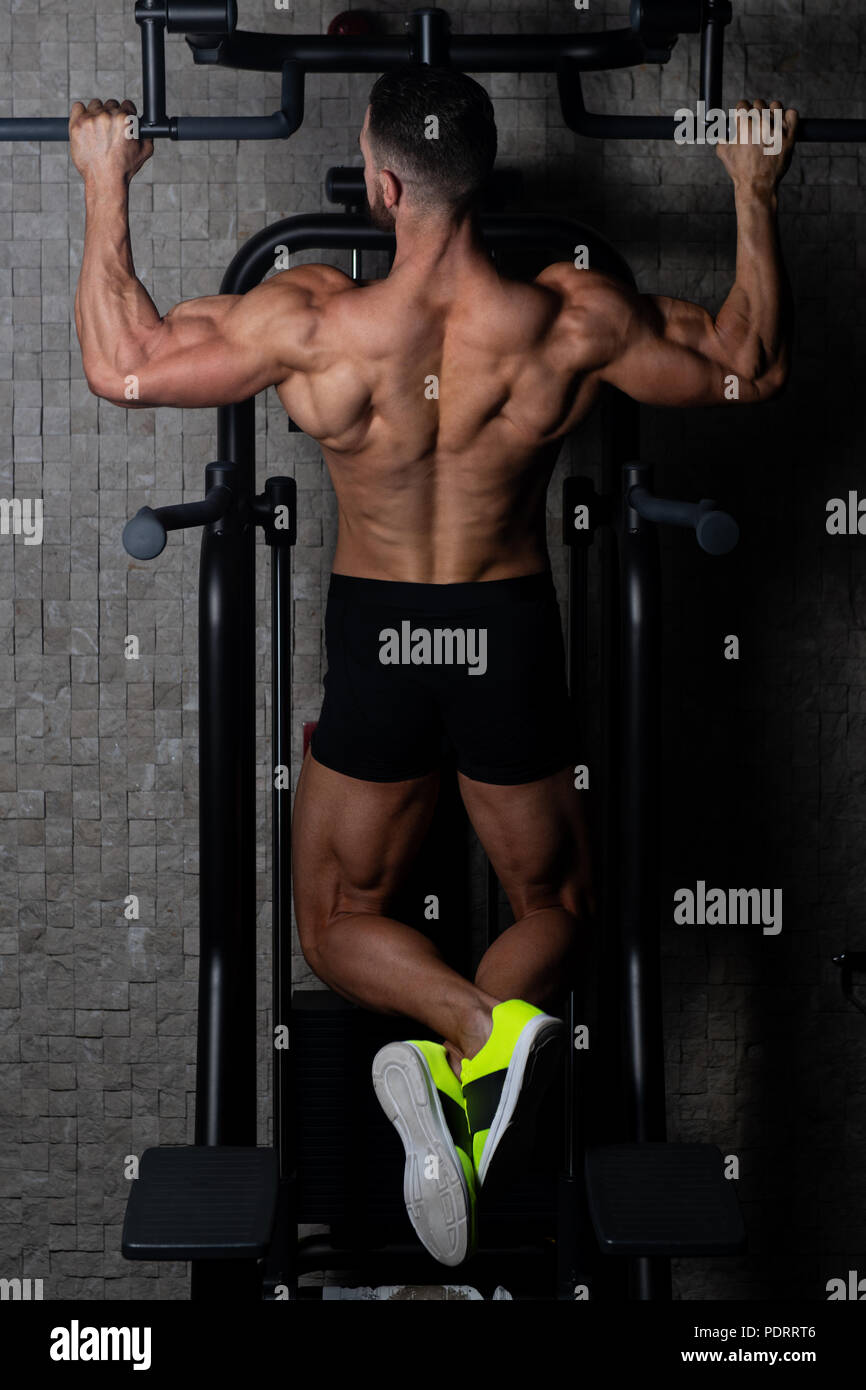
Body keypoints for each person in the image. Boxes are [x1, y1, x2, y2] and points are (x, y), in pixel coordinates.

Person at [70, 68, 798, 1267]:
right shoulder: (569, 319)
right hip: (506, 629)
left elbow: (125, 364)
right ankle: (486, 1034)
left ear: (380, 182)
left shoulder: (310, 320)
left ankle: (463, 1025)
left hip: (378, 635)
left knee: (335, 921)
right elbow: (745, 363)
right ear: (481, 177)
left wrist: (106, 190)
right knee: (559, 908)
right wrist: (750, 188)